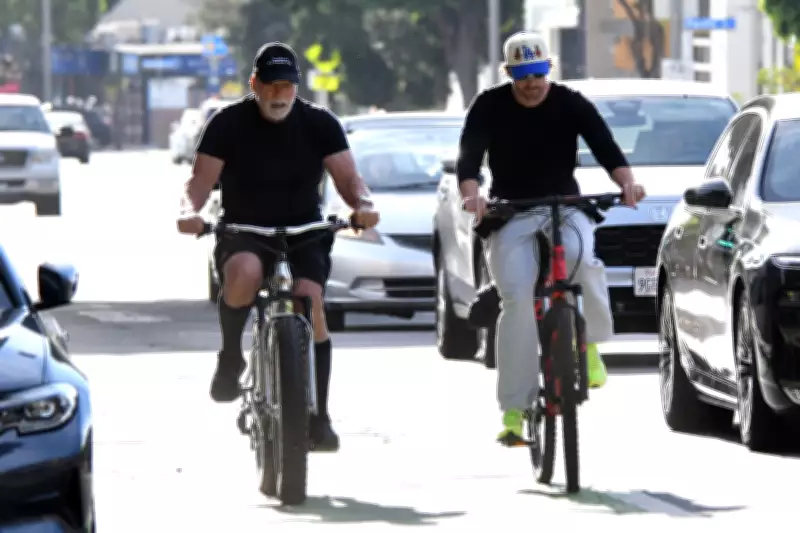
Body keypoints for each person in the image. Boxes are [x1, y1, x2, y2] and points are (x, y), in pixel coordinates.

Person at [176, 42, 380, 451]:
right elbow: (198, 184)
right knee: (244, 273)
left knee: (311, 299)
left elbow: (348, 179)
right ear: (255, 84)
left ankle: (319, 416)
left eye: (287, 86)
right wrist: (187, 211)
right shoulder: (227, 124)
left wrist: (364, 205)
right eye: (271, 85)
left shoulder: (320, 123)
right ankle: (231, 356)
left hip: (305, 230)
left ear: (296, 88)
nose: (279, 94)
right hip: (245, 230)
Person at [457, 32, 646, 446]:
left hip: (565, 204)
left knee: (584, 260)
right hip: (511, 210)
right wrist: (473, 195)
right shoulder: (489, 105)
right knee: (516, 298)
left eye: (539, 73)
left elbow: (606, 148)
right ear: (509, 74)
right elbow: (468, 160)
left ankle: (590, 347)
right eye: (523, 75)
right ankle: (513, 410)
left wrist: (628, 184)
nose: (532, 83)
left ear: (549, 70)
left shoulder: (570, 102)